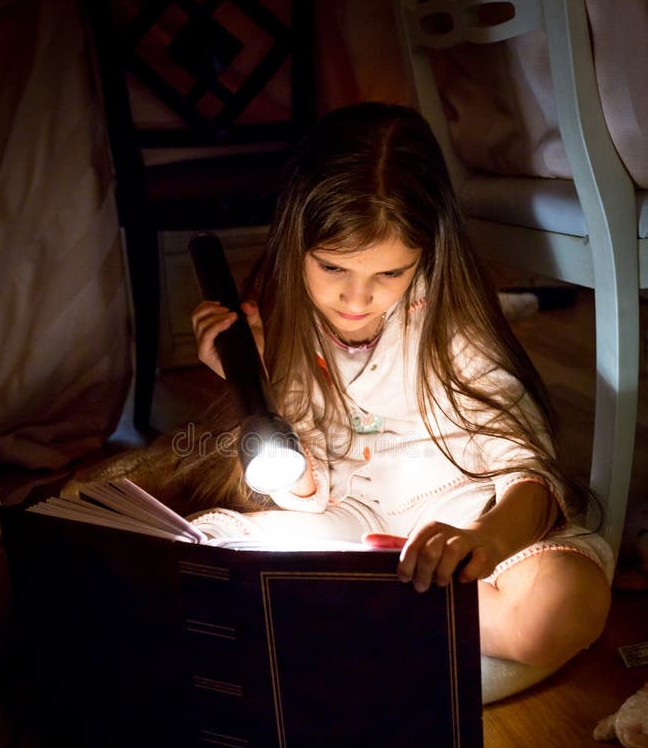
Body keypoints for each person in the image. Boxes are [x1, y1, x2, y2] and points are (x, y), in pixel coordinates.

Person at [191, 102, 612, 668]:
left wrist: (485, 540)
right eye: (333, 268)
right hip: (346, 519)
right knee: (200, 560)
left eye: (389, 273)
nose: (357, 300)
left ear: (426, 253)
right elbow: (300, 486)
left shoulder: (447, 319)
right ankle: (383, 608)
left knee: (561, 603)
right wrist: (254, 384)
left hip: (460, 516)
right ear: (296, 246)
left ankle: (357, 613)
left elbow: (526, 467)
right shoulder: (282, 319)